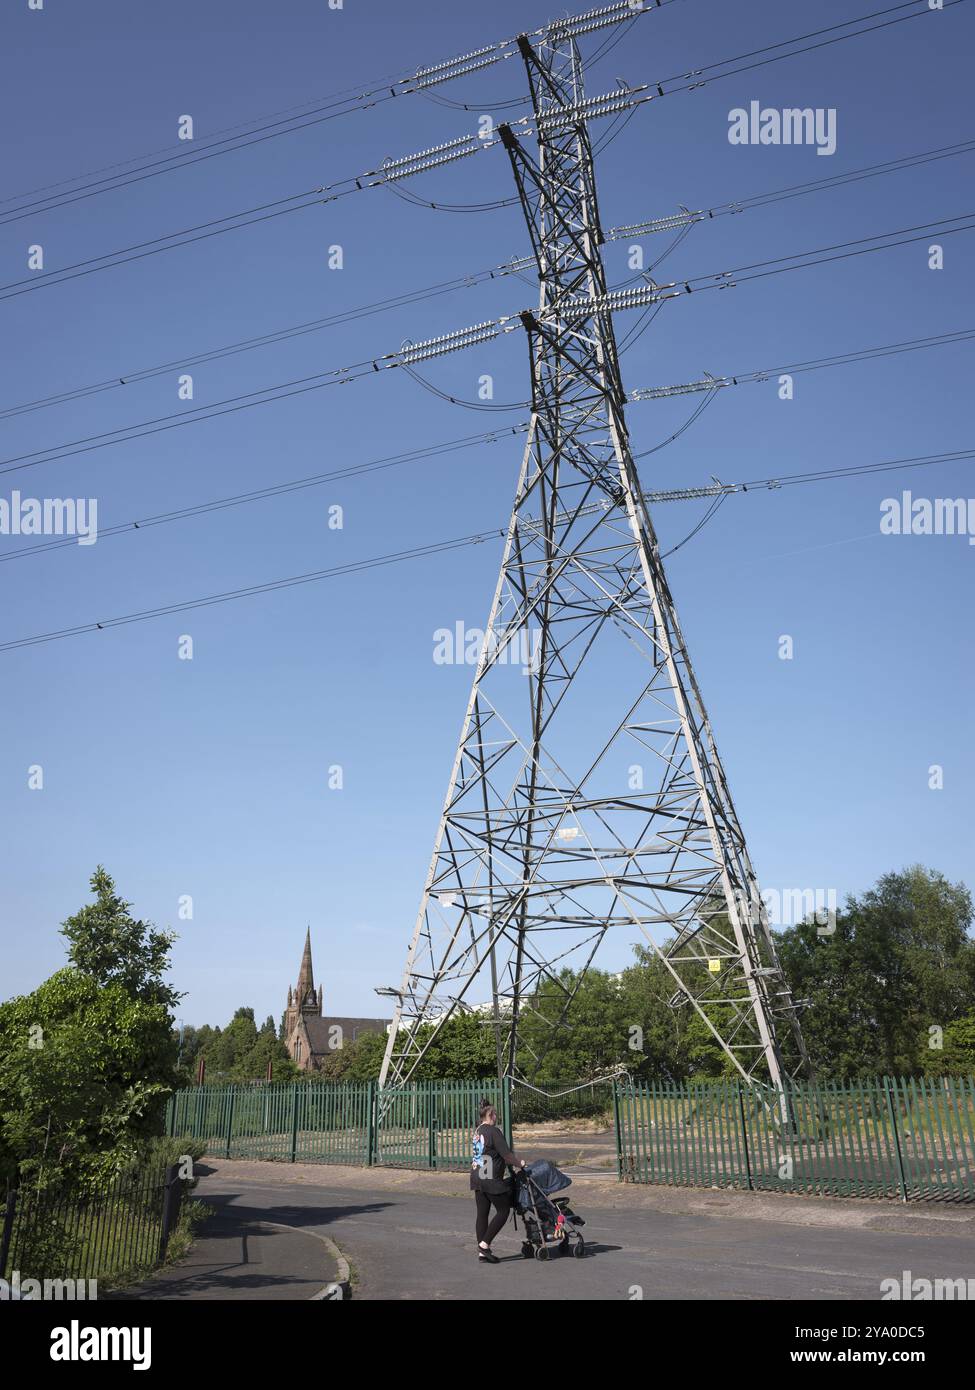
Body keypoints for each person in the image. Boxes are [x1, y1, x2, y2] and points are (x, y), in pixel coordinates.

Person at [470, 1098, 526, 1264]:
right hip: (490, 1177)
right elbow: (507, 1155)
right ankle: (484, 1245)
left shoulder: (478, 1131)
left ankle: (482, 1252)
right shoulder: (494, 1132)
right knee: (503, 1211)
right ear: (491, 1115)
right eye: (495, 1114)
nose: (496, 1117)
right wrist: (520, 1164)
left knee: (482, 1213)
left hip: (477, 1175)